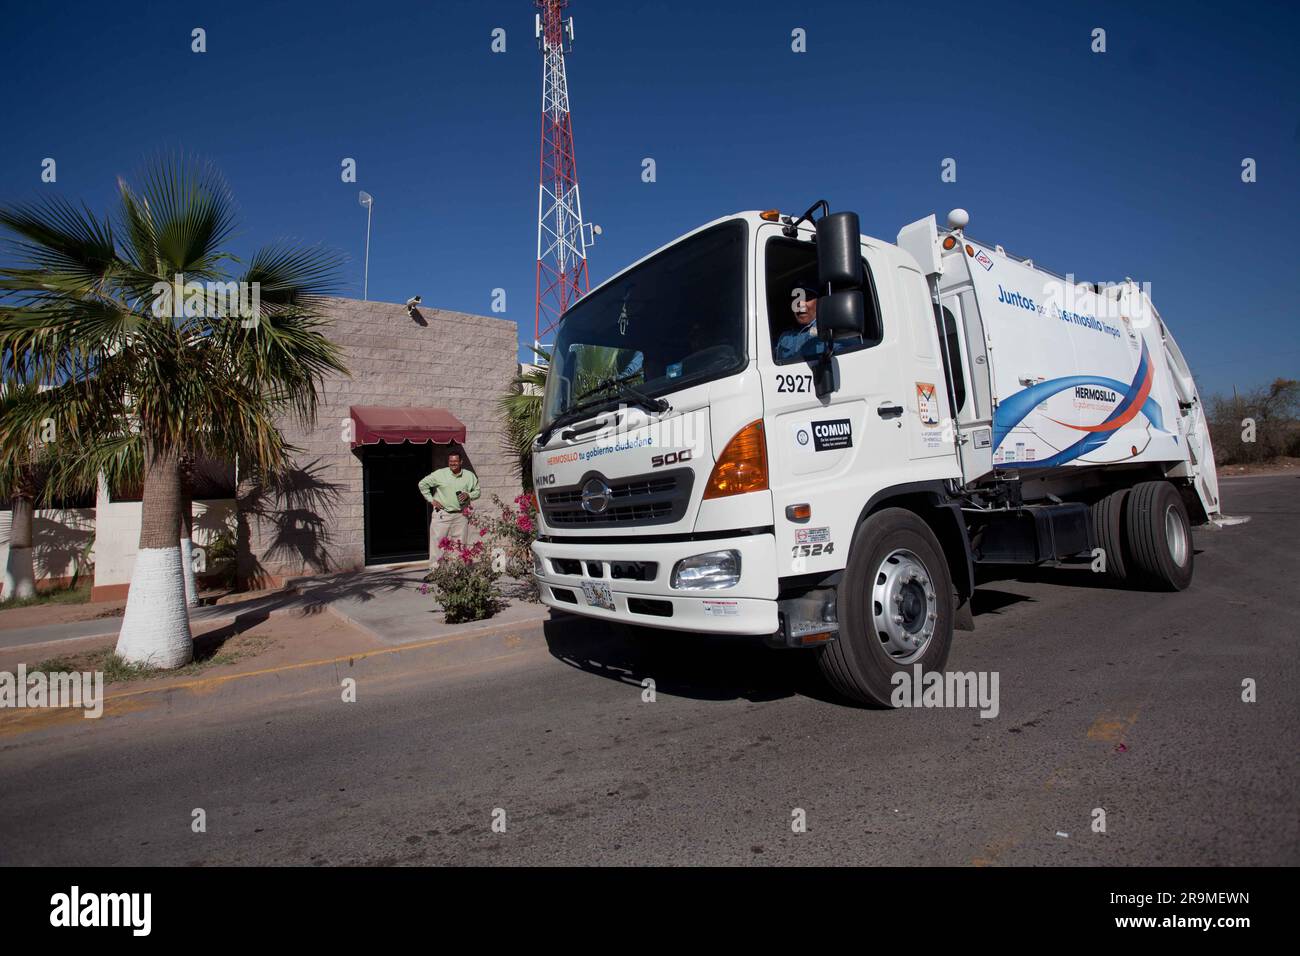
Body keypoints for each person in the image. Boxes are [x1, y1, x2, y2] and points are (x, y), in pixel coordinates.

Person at [418, 452, 480, 576]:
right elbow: (422, 484)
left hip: (461, 515)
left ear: (461, 462)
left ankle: (458, 571)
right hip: (442, 514)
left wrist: (469, 495)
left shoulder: (469, 476)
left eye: (455, 461)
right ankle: (435, 572)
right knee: (437, 543)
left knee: (460, 544)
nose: (453, 464)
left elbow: (477, 492)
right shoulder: (440, 474)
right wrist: (431, 500)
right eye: (450, 461)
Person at [774, 283, 855, 362]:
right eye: (796, 300)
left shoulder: (832, 329)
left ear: (820, 302)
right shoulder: (784, 337)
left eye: (807, 298)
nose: (801, 305)